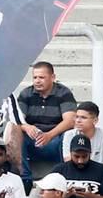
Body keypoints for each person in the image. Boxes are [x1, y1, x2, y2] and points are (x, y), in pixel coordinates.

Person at [15, 62, 76, 190]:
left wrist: (49, 135)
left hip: (55, 139)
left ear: (52, 77)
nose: (37, 81)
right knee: (16, 132)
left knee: (68, 136)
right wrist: (27, 127)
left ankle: (62, 178)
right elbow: (17, 120)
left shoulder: (63, 93)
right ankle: (25, 180)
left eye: (41, 77)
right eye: (35, 77)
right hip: (33, 139)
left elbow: (70, 120)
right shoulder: (26, 94)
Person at [62, 101, 103, 171]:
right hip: (77, 172)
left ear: (95, 120)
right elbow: (68, 161)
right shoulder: (69, 135)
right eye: (77, 117)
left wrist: (93, 173)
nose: (78, 120)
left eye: (83, 117)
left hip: (98, 173)